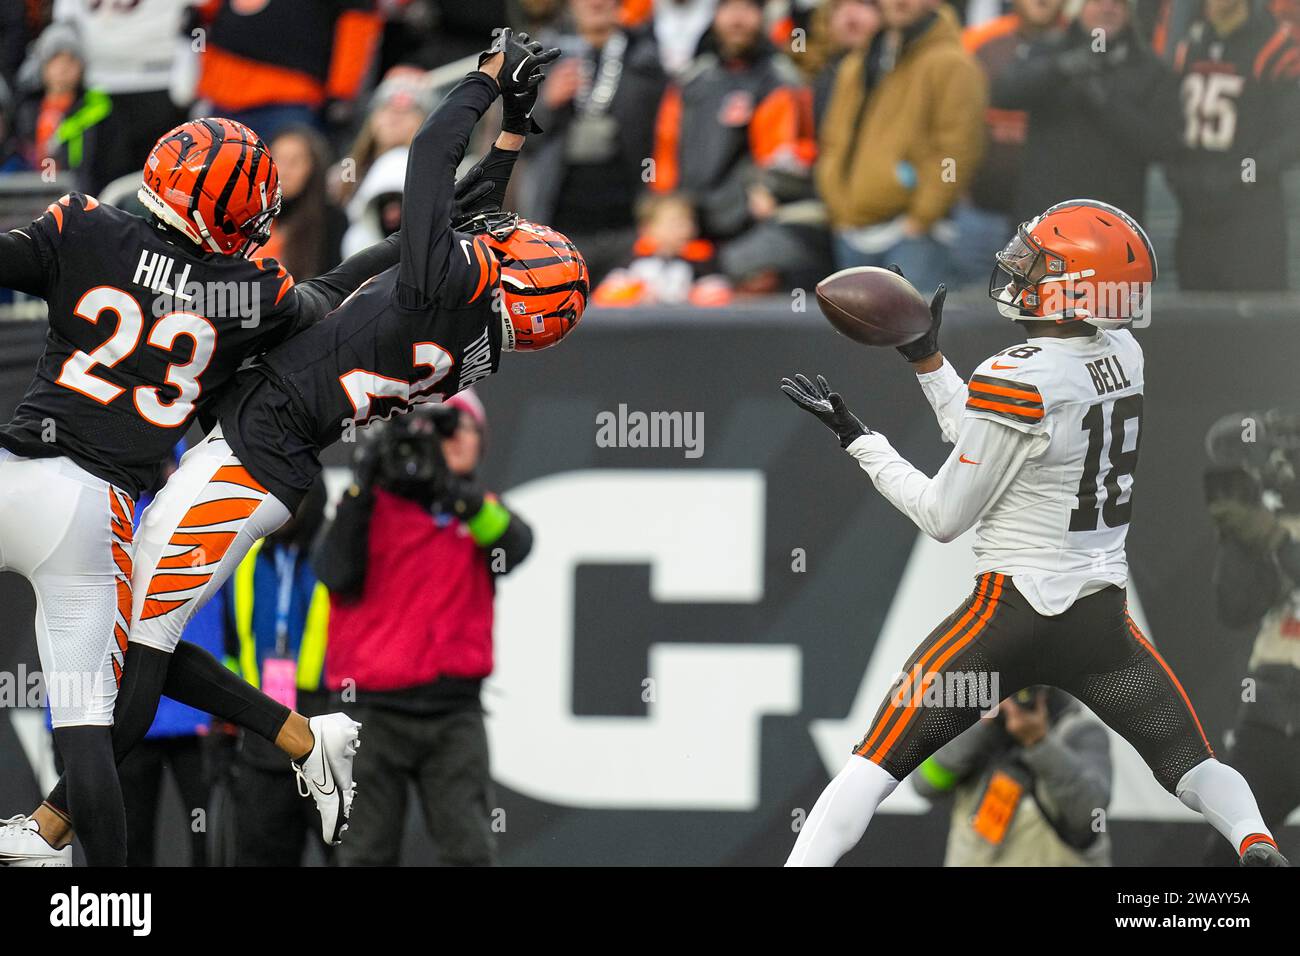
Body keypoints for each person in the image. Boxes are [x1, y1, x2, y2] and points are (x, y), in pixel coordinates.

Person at [0, 28, 579, 865]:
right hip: (261, 437)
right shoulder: (470, 327)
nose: (504, 237)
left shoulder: (442, 284)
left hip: (251, 455)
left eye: (515, 250)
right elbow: (459, 215)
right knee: (136, 646)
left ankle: (68, 836)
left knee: (135, 659)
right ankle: (296, 740)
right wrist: (518, 123)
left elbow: (427, 163)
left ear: (510, 279)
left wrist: (485, 84)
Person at [780, 198, 1286, 867]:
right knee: (1190, 764)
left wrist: (859, 440)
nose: (1019, 269)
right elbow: (997, 440)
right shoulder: (1123, 355)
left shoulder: (1020, 373)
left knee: (873, 765)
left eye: (1039, 261)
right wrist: (927, 361)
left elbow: (943, 515)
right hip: (1099, 622)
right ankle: (1255, 840)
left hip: (1009, 617)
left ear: (1080, 287)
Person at [0, 113, 404, 866]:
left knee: (129, 674)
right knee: (91, 728)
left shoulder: (85, 226)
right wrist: (408, 242)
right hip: (96, 514)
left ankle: (299, 739)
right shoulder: (250, 293)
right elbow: (327, 292)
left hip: (16, 472)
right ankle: (105, 905)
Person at [314, 394, 534, 866]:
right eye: (433, 431)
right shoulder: (367, 508)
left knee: (469, 852)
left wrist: (459, 496)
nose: (443, 441)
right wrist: (361, 486)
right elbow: (334, 573)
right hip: (369, 714)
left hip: (452, 714)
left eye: (456, 428)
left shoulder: (477, 511)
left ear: (480, 441)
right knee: (364, 856)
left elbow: (517, 544)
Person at [815, 0, 987, 294]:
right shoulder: (858, 62)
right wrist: (838, 209)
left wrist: (922, 218)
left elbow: (957, 149)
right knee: (854, 339)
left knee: (912, 336)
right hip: (851, 231)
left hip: (915, 237)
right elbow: (833, 139)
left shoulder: (952, 63)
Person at [651, 0, 822, 293]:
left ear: (762, 16)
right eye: (729, 7)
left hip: (753, 225)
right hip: (691, 225)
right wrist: (663, 210)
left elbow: (786, 154)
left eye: (748, 8)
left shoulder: (780, 79)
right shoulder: (692, 80)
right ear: (715, 14)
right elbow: (665, 151)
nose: (738, 19)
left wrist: (766, 185)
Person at [1200, 408, 1300, 863]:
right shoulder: (1280, 518)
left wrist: (1274, 539)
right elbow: (1234, 609)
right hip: (1274, 709)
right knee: (1231, 852)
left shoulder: (1279, 531)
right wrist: (1237, 529)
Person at [223, 479, 333, 867]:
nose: (284, 507)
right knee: (259, 854)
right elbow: (231, 647)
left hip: (329, 725)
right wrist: (224, 723)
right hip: (262, 726)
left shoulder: (338, 553)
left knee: (354, 856)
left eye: (296, 496)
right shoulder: (246, 556)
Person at [992, 0, 1178, 226]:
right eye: (1098, 1)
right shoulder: (1049, 48)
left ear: (1129, 13)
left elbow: (1162, 144)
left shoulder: (1149, 68)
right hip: (1044, 219)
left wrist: (1105, 102)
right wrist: (1060, 69)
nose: (1108, 8)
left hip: (1111, 225)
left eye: (1118, 3)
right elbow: (1003, 94)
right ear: (1078, 7)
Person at [523, 0, 666, 284]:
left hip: (630, 224)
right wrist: (545, 105)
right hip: (560, 222)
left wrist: (653, 188)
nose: (595, 2)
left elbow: (660, 141)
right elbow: (518, 142)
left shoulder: (647, 58)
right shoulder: (541, 57)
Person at [1166, 0, 1300, 292]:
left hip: (1252, 221)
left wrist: (1243, 174)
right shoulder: (1191, 44)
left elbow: (1293, 135)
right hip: (1197, 217)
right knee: (1196, 322)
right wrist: (1181, 176)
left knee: (1253, 326)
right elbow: (1169, 124)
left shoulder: (1275, 45)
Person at [913, 687, 1113, 866]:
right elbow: (925, 784)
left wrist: (1040, 743)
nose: (1020, 698)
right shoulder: (974, 726)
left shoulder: (1080, 732)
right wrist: (982, 724)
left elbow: (1090, 812)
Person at [953, 0, 1066, 287]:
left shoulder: (1081, 43)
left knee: (1042, 311)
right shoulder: (979, 40)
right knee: (971, 311)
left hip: (1052, 218)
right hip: (982, 206)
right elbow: (950, 116)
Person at [263, 126, 347, 281]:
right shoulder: (250, 216)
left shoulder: (332, 220)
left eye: (295, 162)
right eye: (277, 160)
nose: (284, 171)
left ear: (314, 168)